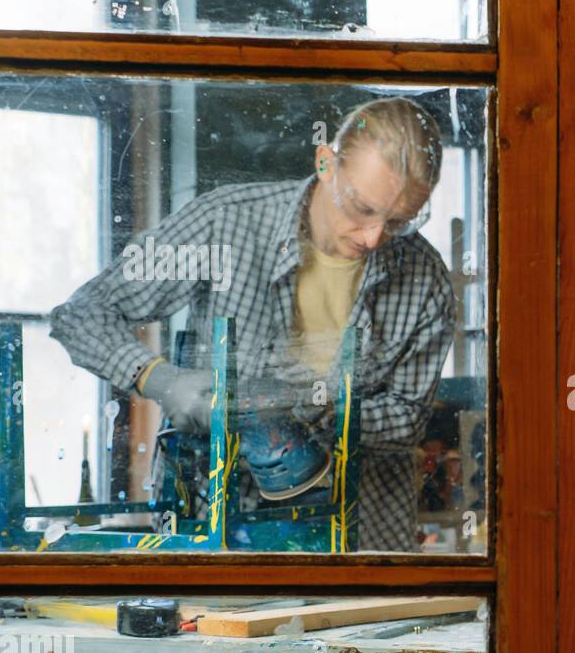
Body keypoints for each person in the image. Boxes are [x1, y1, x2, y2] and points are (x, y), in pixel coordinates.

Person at [49, 96, 456, 554]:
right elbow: (82, 314)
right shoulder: (225, 223)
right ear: (325, 163)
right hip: (216, 524)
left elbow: (407, 417)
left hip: (358, 533)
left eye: (399, 221)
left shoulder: (425, 277)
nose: (373, 237)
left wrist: (300, 407)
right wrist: (158, 378)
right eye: (361, 208)